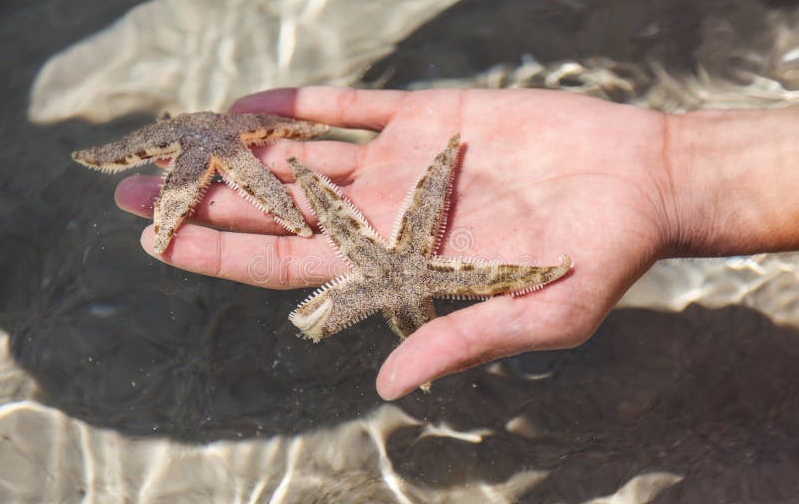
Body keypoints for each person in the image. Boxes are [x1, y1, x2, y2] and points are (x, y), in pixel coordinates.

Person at [114, 86, 799, 400]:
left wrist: (672, 174)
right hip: (390, 273)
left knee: (386, 275)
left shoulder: (397, 262)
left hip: (390, 274)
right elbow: (362, 220)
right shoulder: (396, 262)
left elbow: (377, 224)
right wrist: (677, 170)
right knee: (389, 271)